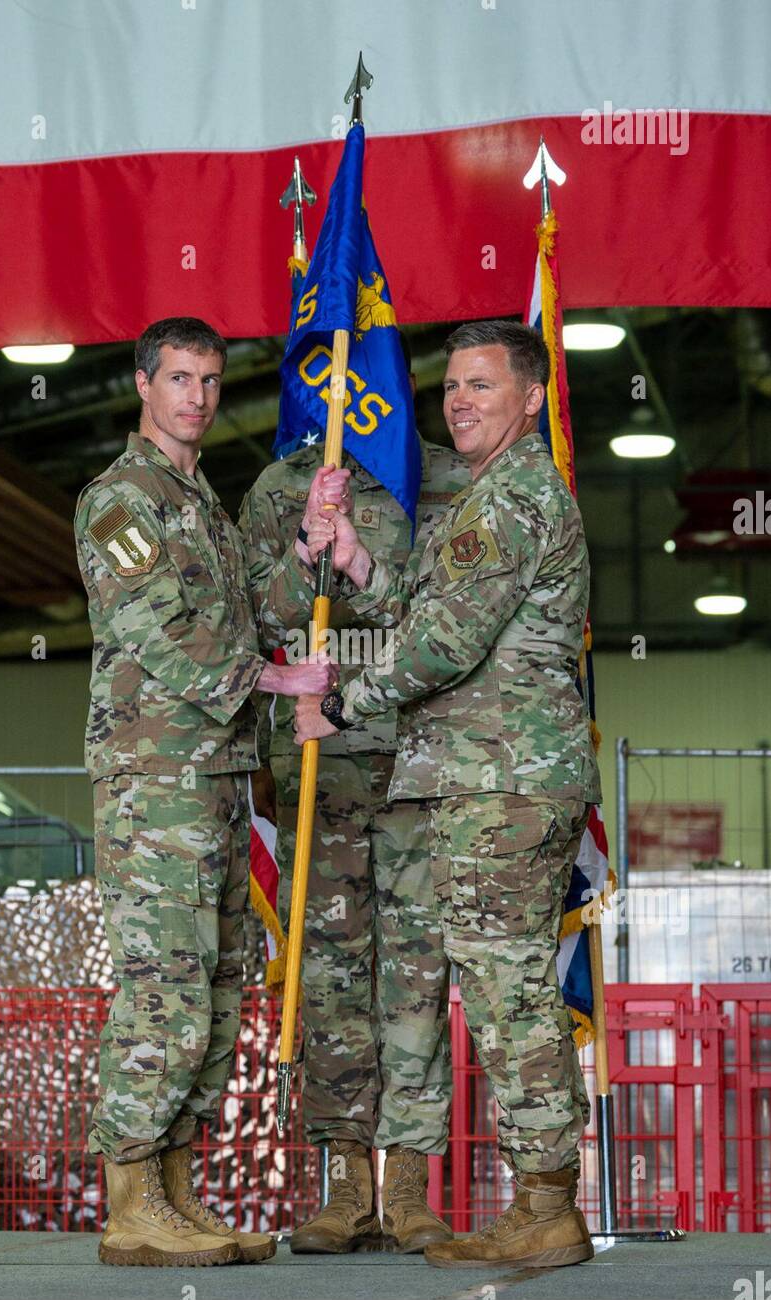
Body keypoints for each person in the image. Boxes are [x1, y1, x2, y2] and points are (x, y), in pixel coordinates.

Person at [294, 320, 602, 1269]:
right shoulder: (487, 498)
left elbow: (440, 649)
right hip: (493, 776)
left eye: (481, 385)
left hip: (503, 778)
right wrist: (354, 565)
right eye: (451, 387)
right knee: (504, 982)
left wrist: (340, 706)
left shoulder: (508, 500)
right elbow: (434, 611)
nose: (459, 402)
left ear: (531, 396)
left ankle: (547, 1207)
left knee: (507, 990)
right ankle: (542, 1199)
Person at [74, 316, 336, 1267]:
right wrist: (272, 682)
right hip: (156, 783)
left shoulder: (201, 503)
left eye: (212, 380)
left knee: (217, 993)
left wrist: (305, 550)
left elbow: (248, 612)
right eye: (179, 378)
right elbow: (158, 630)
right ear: (143, 385)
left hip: (220, 776)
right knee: (164, 990)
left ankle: (174, 1195)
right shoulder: (119, 500)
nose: (197, 396)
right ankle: (132, 1201)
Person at [239, 338, 469, 1253]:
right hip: (317, 773)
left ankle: (408, 1186)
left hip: (416, 767)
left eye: (363, 369)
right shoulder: (273, 491)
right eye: (327, 374)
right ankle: (342, 1187)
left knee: (416, 977)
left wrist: (366, 568)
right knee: (332, 979)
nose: (346, 388)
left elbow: (456, 618)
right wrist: (307, 543)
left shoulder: (442, 484)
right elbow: (250, 615)